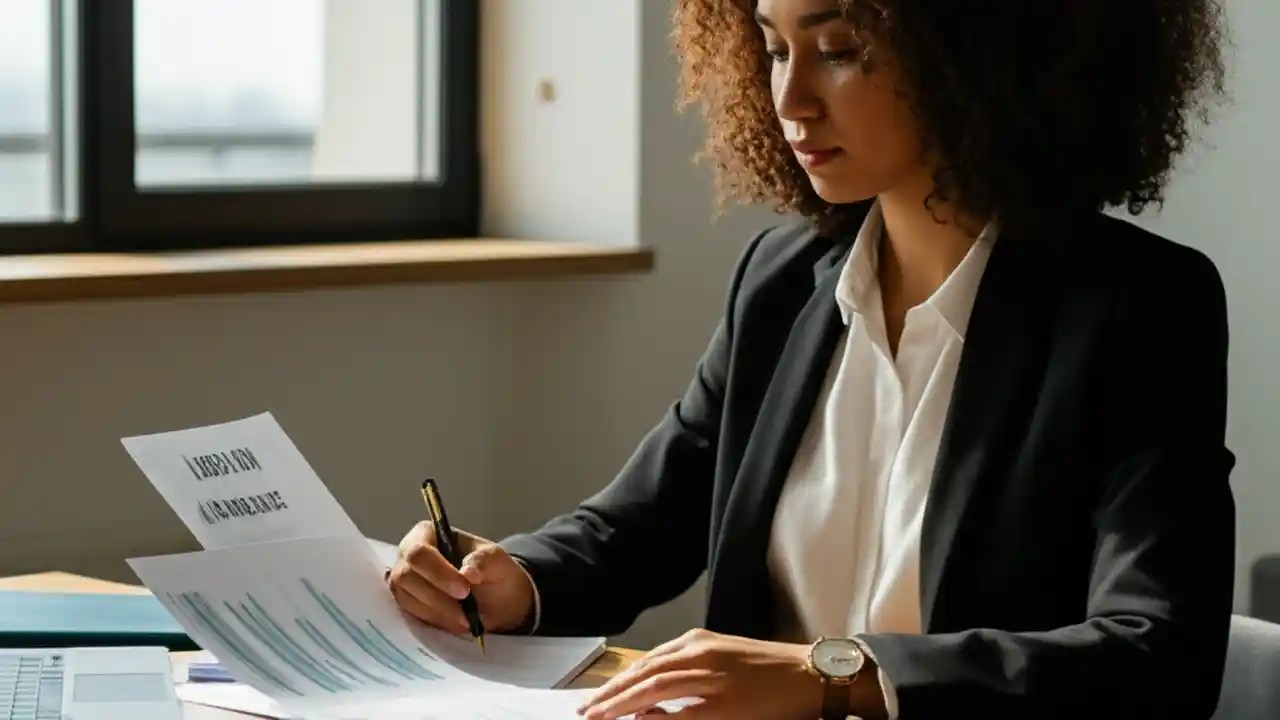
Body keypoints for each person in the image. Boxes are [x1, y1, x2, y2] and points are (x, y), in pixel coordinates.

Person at [387, 0, 1236, 717]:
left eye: (838, 51)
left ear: (978, 47)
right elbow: (640, 527)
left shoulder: (1138, 307)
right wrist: (510, 579)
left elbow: (1156, 653)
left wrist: (834, 674)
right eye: (773, 46)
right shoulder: (782, 279)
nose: (790, 96)